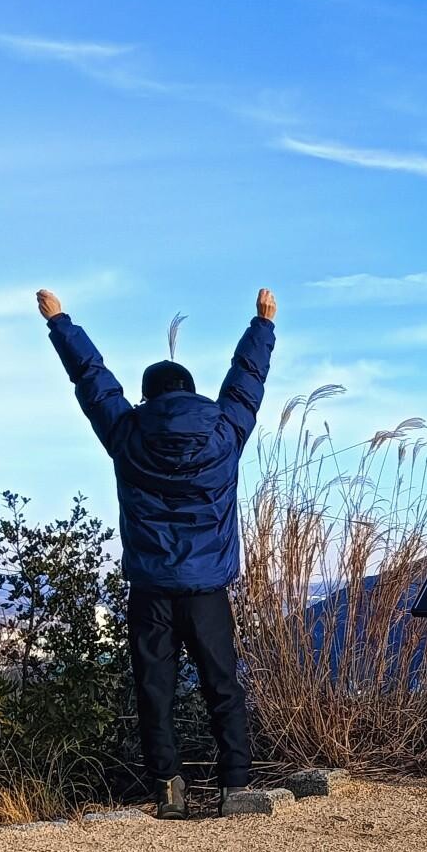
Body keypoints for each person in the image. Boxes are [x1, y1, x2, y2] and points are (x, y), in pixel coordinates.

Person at [37, 287, 277, 819]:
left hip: (150, 588)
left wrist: (61, 324)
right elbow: (246, 384)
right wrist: (262, 326)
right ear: (193, 394)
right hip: (208, 588)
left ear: (147, 399)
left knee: (155, 689)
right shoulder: (224, 431)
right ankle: (235, 786)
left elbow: (92, 381)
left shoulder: (127, 432)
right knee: (222, 684)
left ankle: (168, 788)